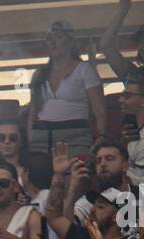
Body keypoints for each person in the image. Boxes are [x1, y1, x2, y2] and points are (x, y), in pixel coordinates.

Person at [27, 20, 105, 157]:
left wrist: (101, 136)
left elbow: (99, 110)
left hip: (75, 137)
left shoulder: (85, 70)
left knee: (75, 176)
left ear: (71, 41)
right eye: (49, 39)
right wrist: (29, 138)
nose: (53, 42)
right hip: (41, 138)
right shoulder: (40, 73)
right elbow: (32, 113)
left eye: (58, 37)